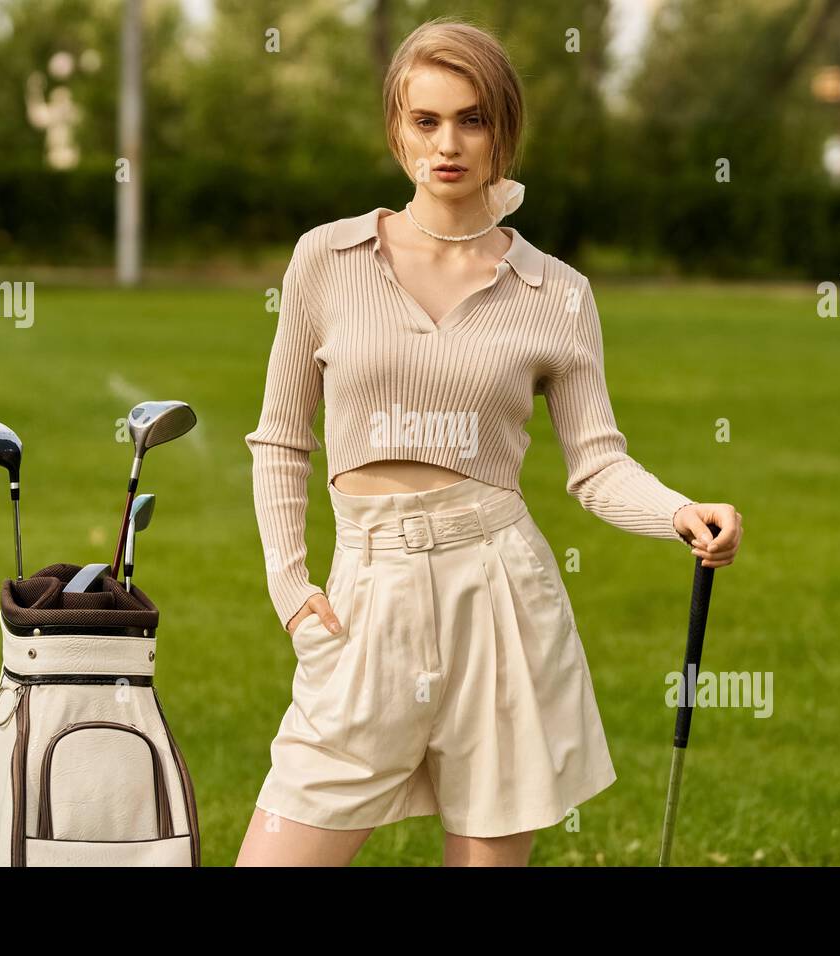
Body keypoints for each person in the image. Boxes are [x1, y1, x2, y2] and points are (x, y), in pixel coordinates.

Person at [235, 18, 742, 867]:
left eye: (471, 120)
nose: (448, 143)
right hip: (364, 597)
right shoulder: (326, 258)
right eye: (426, 120)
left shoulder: (558, 292)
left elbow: (597, 462)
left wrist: (680, 512)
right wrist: (291, 587)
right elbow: (282, 438)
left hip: (500, 595)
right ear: (396, 128)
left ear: (503, 131)